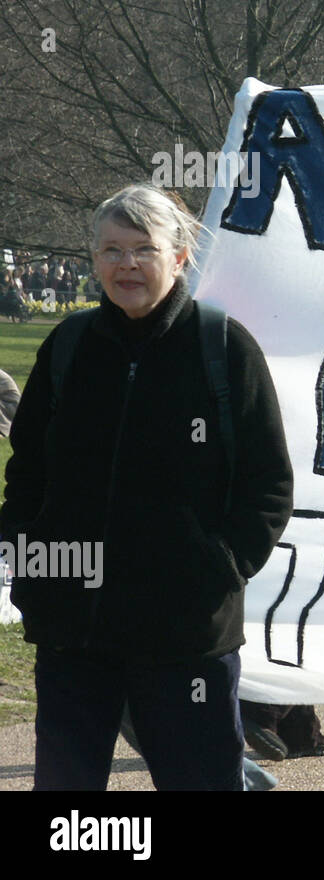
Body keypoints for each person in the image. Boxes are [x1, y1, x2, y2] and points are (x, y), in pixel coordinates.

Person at [0, 184, 294, 790]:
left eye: (143, 249)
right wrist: (32, 567)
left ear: (179, 255)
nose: (126, 265)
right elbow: (26, 473)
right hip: (72, 629)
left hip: (184, 636)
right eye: (111, 250)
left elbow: (268, 486)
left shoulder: (223, 348)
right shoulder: (69, 347)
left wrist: (221, 566)